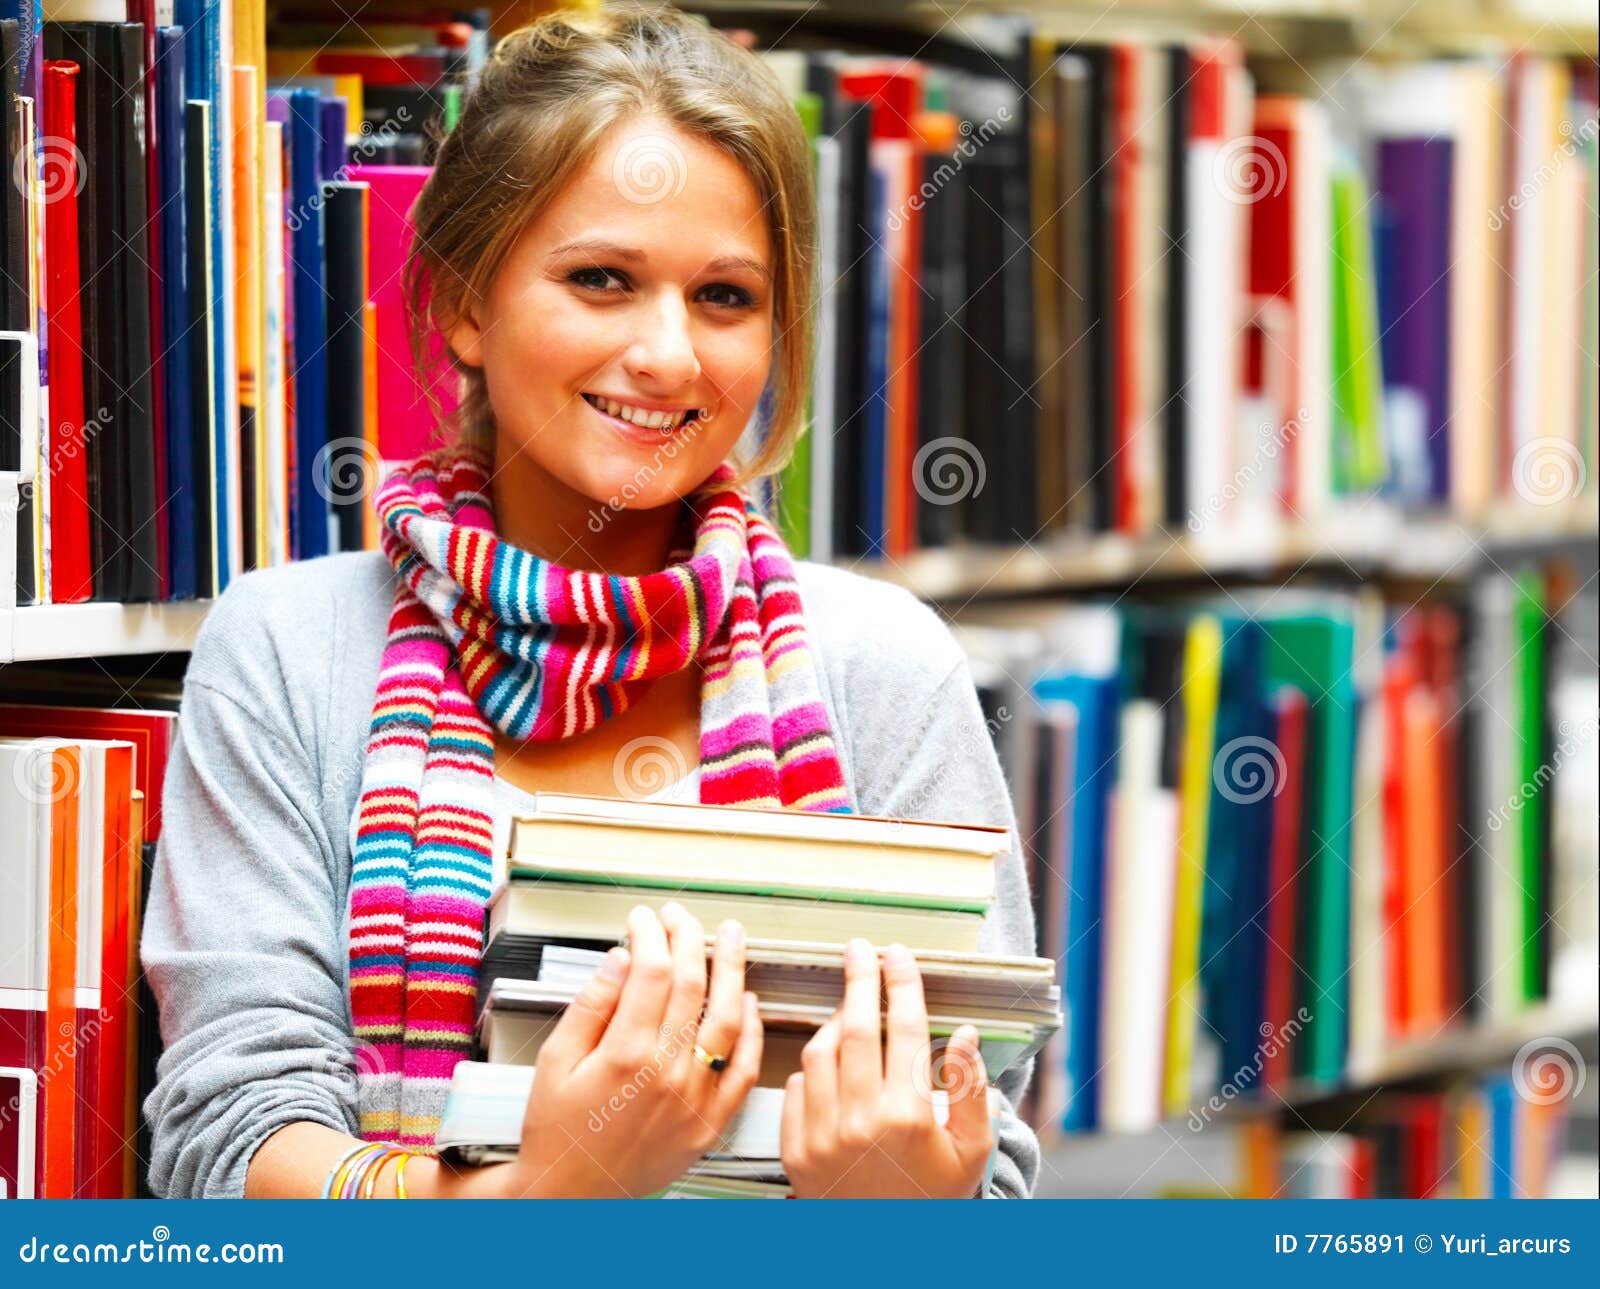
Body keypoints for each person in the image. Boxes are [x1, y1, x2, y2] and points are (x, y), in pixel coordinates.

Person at [141, 3, 1039, 1199]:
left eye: (726, 297)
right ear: (465, 302)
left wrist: (895, 1196)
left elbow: (991, 1161)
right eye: (601, 279)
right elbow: (225, 1143)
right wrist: (543, 1197)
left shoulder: (887, 664)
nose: (668, 354)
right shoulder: (288, 647)